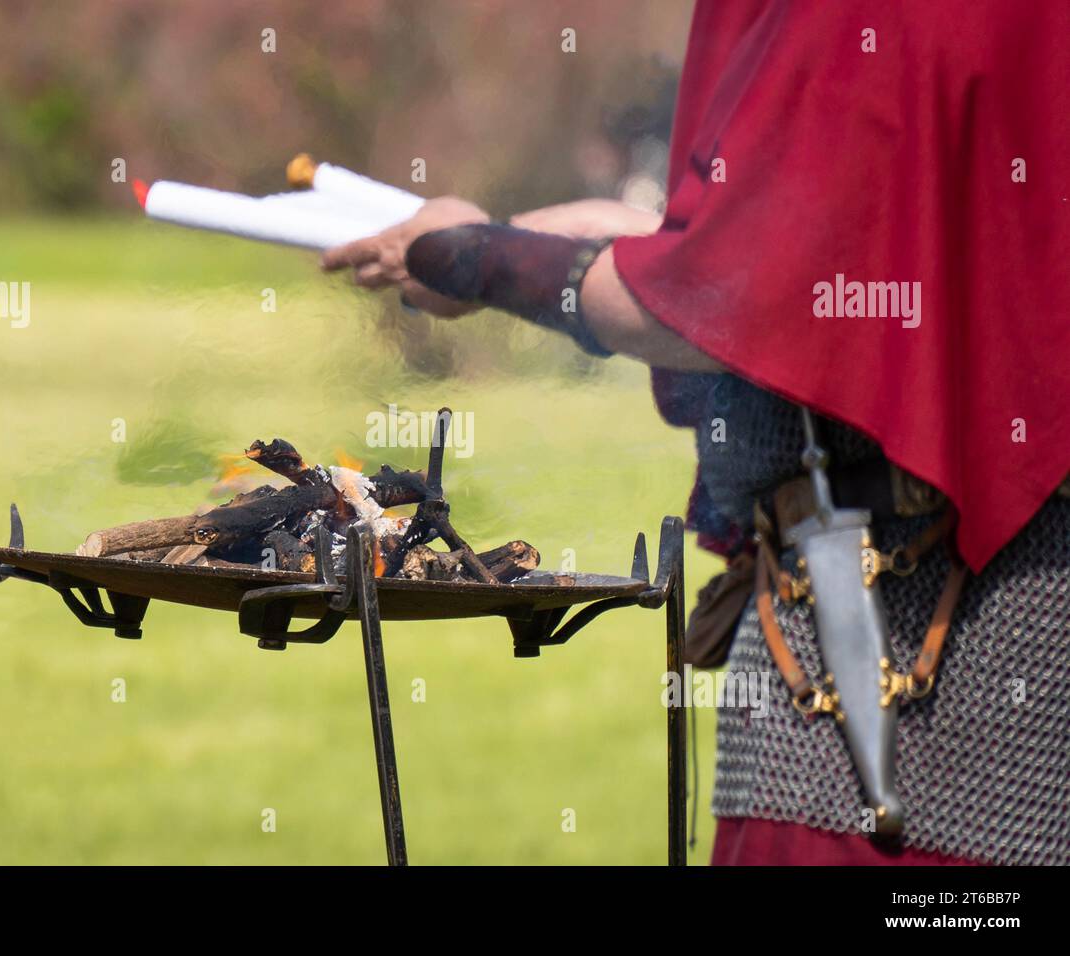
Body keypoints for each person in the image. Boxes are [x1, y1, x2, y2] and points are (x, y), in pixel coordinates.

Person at [322, 0, 1070, 865]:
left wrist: (476, 260)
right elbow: (778, 252)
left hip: (912, 668)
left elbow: (730, 300)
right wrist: (482, 235)